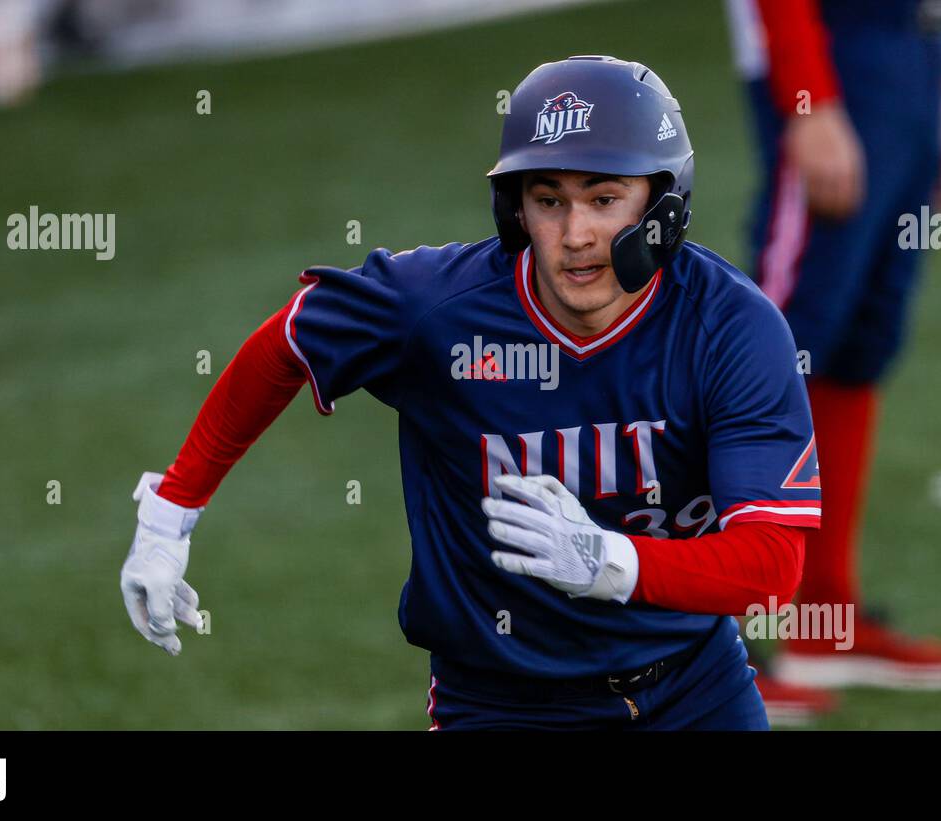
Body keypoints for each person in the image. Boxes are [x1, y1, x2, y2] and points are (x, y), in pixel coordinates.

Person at [119, 55, 822, 730]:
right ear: (514, 211)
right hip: (503, 700)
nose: (575, 235)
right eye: (549, 201)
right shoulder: (433, 308)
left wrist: (612, 562)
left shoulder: (730, 328)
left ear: (664, 206)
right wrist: (171, 510)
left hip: (693, 687)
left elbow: (771, 566)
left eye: (605, 200)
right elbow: (286, 344)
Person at [725, 0, 941, 721]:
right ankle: (699, 643)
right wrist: (810, 99)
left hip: (908, 54)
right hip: (834, 57)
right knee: (770, 352)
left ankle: (824, 616)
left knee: (858, 346)